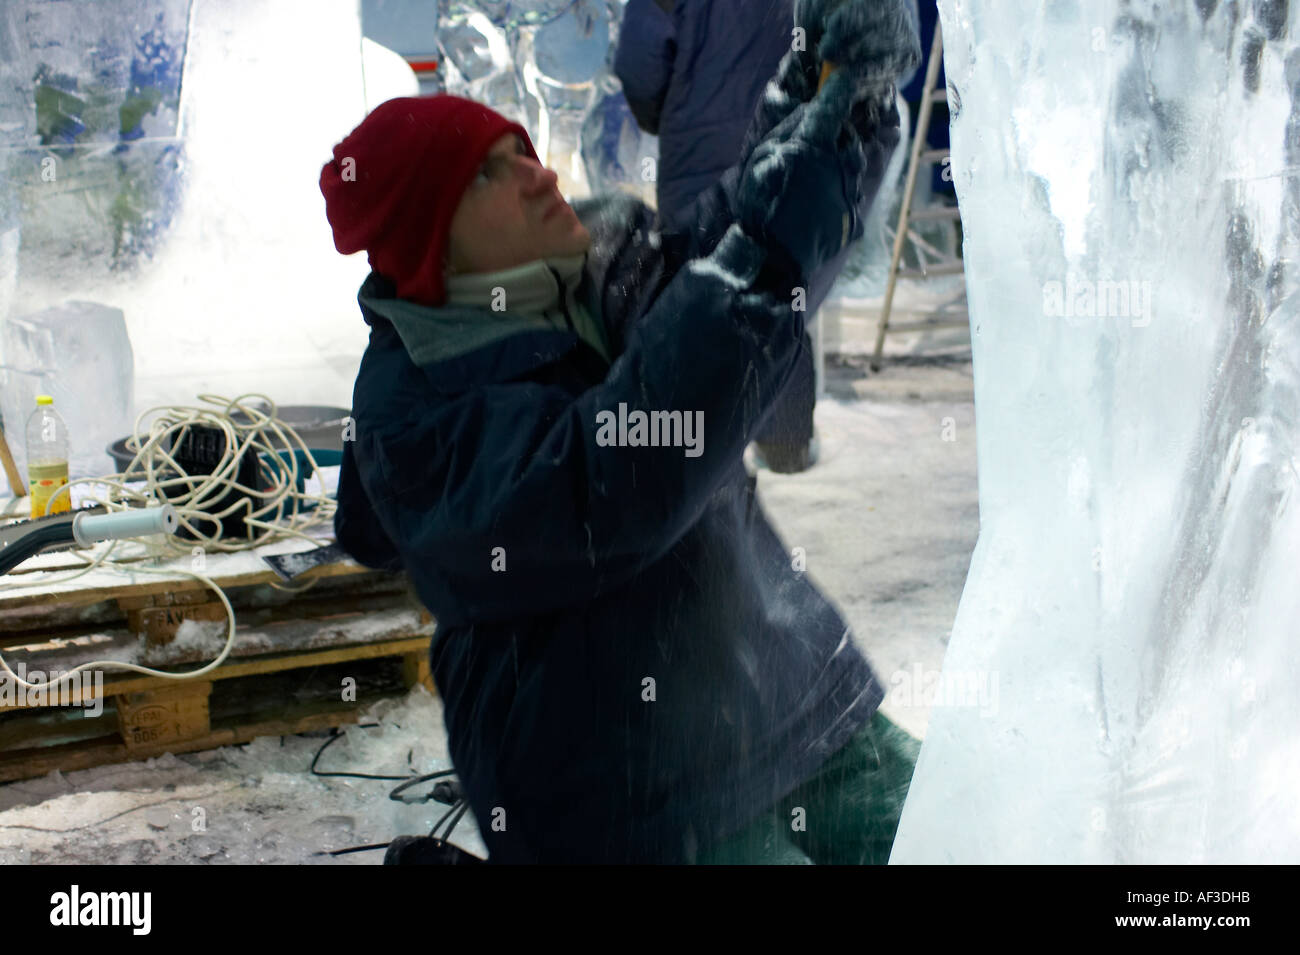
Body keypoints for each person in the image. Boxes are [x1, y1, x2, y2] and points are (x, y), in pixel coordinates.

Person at [321, 0, 921, 864]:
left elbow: (739, 245)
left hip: (790, 702)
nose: (535, 174)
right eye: (489, 175)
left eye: (520, 151)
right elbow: (614, 477)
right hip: (633, 790)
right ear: (434, 253)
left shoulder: (601, 266)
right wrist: (766, 250)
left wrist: (838, 95)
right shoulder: (416, 422)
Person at [615, 0, 919, 473]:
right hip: (795, 126)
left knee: (694, 287)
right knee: (784, 282)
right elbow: (862, 39)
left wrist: (669, 111)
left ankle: (697, 459)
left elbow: (640, 62)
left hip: (698, 147)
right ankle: (786, 443)